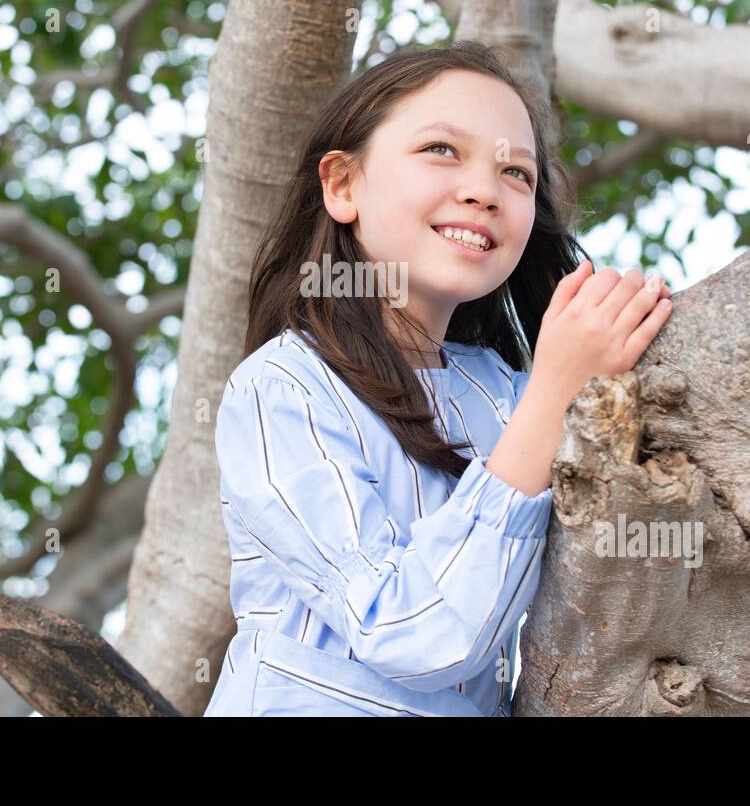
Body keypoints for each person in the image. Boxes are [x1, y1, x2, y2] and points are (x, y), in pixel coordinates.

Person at [203, 41, 672, 716]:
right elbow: (412, 631)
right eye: (442, 150)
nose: (484, 189)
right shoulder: (283, 389)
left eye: (517, 172)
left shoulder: (507, 391)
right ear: (342, 185)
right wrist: (554, 391)